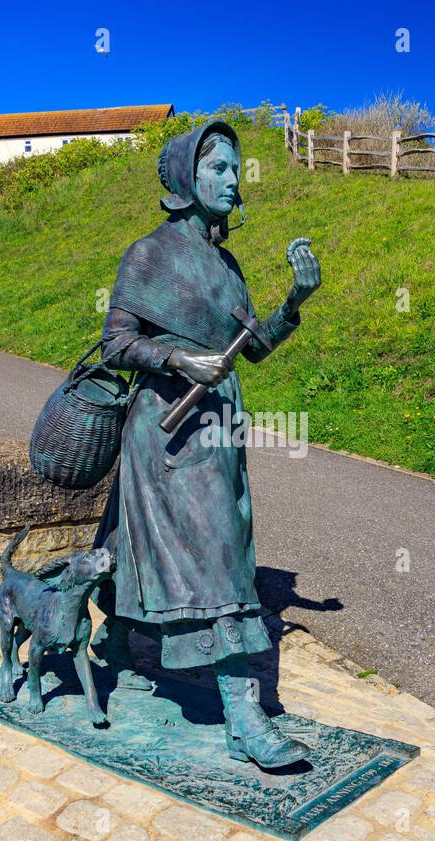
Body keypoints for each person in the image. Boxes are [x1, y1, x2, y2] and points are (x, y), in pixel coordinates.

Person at [91, 119, 322, 769]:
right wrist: (177, 360)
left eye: (235, 169)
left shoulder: (227, 266)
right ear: (186, 176)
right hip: (165, 431)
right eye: (218, 167)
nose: (231, 179)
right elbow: (115, 346)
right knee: (220, 561)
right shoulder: (147, 255)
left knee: (157, 549)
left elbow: (256, 346)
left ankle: (114, 641)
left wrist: (295, 300)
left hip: (219, 430)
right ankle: (245, 719)